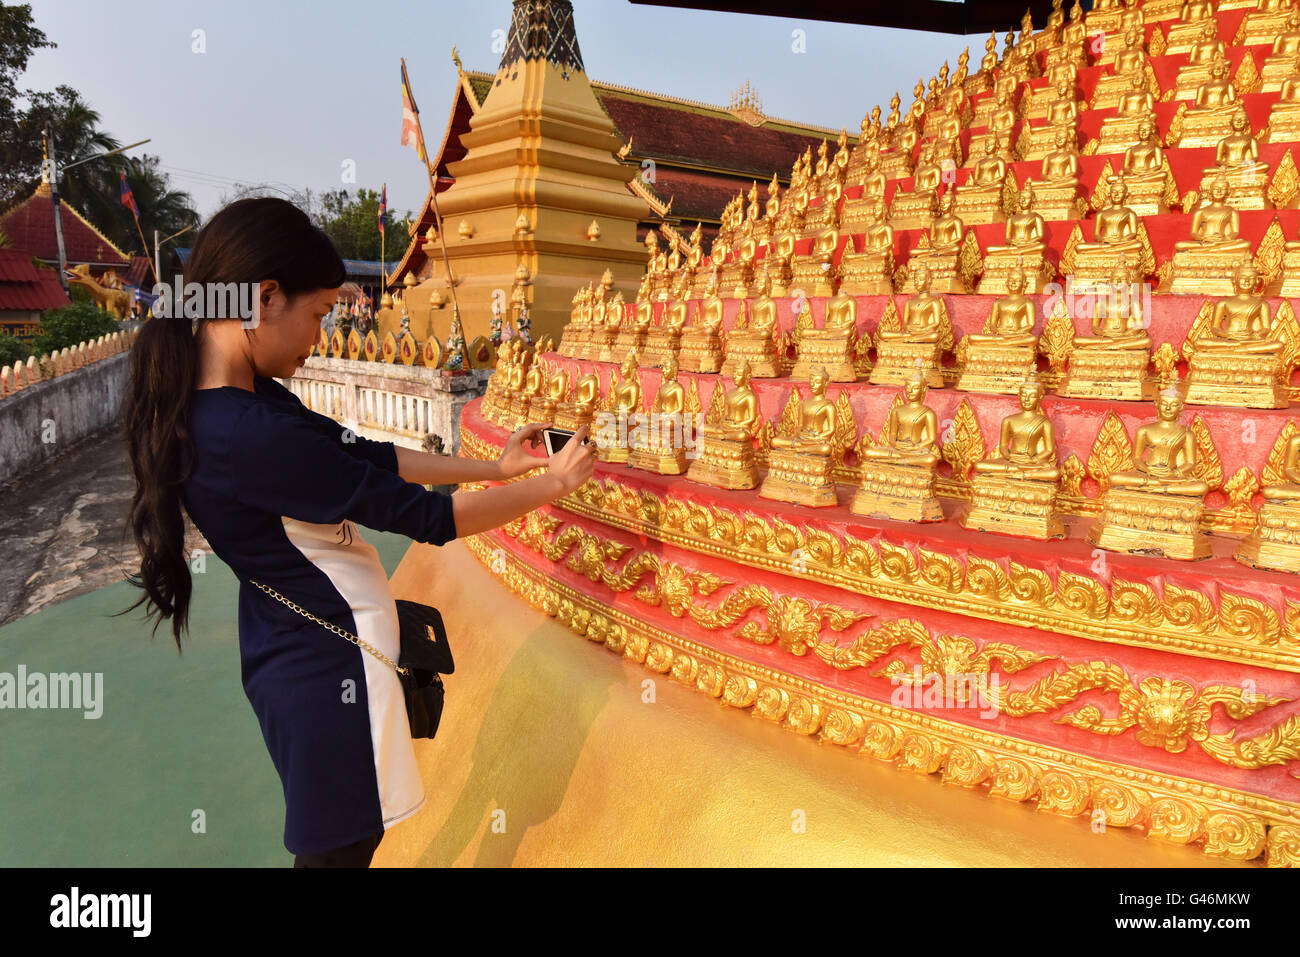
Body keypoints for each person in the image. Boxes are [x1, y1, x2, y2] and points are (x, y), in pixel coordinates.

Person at [118, 198, 595, 868]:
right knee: (340, 850)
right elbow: (428, 518)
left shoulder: (239, 400)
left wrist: (494, 464)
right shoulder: (248, 435)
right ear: (265, 298)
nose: (320, 339)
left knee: (344, 843)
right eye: (318, 316)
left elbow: (364, 452)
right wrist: (551, 486)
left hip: (299, 651)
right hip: (326, 673)